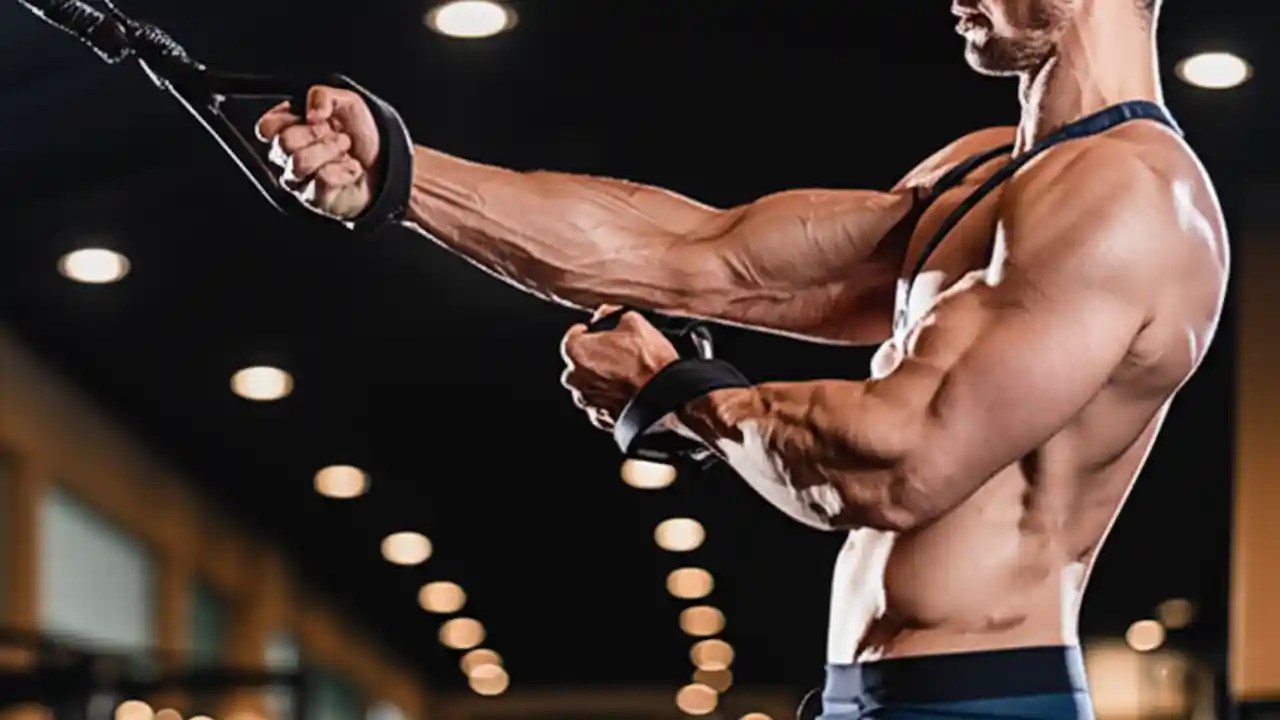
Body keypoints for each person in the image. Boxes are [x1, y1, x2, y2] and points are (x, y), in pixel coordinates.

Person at [255, 0, 1228, 717]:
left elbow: (899, 462)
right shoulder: (982, 171)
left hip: (980, 700)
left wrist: (675, 397)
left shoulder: (1129, 197)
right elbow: (695, 256)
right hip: (870, 692)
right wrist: (404, 173)